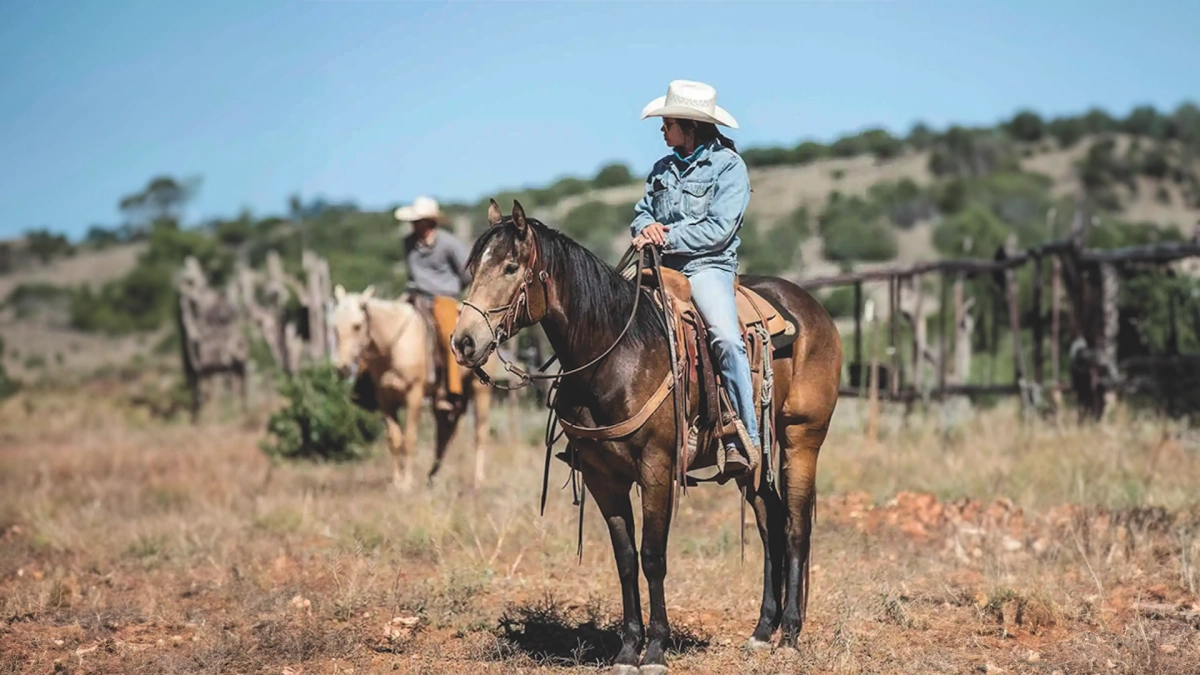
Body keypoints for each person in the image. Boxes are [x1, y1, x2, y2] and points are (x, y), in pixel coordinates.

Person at [629, 79, 757, 479]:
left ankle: (743, 433)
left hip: (707, 267)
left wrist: (666, 235)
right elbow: (642, 211)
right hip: (659, 269)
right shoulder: (661, 170)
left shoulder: (729, 168)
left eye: (667, 123)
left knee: (725, 337)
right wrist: (646, 227)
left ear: (689, 126)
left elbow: (719, 229)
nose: (662, 130)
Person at [395, 196, 472, 412]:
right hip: (415, 295)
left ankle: (452, 391)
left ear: (429, 222)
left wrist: (451, 288)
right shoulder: (408, 244)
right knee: (379, 324)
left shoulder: (449, 244)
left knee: (449, 337)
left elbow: (467, 273)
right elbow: (412, 273)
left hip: (443, 298)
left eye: (417, 221)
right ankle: (367, 384)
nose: (413, 225)